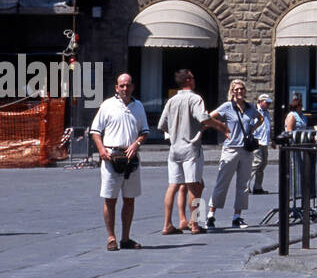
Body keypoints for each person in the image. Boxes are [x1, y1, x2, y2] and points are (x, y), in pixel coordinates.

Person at [159, 69, 224, 234]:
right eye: (193, 77)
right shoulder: (195, 98)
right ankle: (195, 224)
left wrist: (175, 132)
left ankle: (167, 224)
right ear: (188, 80)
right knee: (196, 186)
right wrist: (220, 126)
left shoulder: (171, 100)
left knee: (173, 186)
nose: (195, 80)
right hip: (191, 148)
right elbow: (203, 118)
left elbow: (162, 125)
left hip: (174, 149)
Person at [90, 74, 148, 251]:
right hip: (111, 156)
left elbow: (144, 131)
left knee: (129, 199)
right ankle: (111, 237)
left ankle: (125, 238)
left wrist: (136, 144)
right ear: (116, 87)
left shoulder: (138, 106)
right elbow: (95, 130)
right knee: (110, 199)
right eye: (122, 86)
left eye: (128, 85)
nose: (125, 89)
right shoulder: (107, 105)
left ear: (133, 87)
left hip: (131, 158)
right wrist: (101, 149)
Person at [206, 80, 258, 229]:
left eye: (242, 89)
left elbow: (259, 118)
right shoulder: (227, 107)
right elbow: (209, 117)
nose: (240, 91)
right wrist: (222, 128)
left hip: (246, 151)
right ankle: (211, 215)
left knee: (243, 185)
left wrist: (252, 130)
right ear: (232, 91)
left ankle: (237, 217)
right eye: (237, 89)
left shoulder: (250, 108)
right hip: (231, 149)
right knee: (222, 183)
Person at [247, 95, 272, 195]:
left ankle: (258, 187)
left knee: (263, 164)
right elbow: (249, 125)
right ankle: (245, 185)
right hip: (257, 140)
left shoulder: (267, 113)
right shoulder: (254, 111)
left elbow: (268, 126)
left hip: (264, 141)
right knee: (256, 163)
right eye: (267, 102)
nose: (269, 105)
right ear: (260, 101)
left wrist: (272, 140)